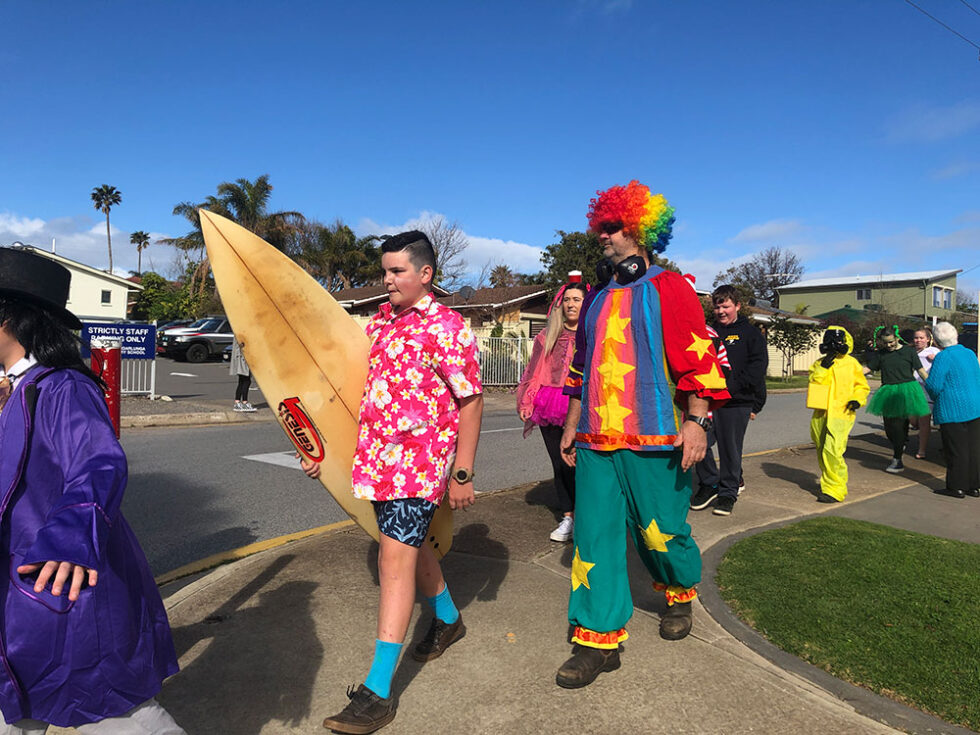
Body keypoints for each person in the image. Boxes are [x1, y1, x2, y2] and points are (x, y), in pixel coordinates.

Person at [302, 231, 484, 734]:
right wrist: (322, 453)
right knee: (407, 548)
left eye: (397, 271)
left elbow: (470, 401)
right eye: (385, 271)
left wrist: (463, 471)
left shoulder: (447, 327)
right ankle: (448, 619)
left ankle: (378, 691)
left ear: (426, 274)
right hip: (378, 463)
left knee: (394, 562)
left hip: (418, 466)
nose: (387, 280)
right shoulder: (381, 323)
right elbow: (356, 397)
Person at [0, 248, 184, 734]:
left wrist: (69, 537)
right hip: (24, 591)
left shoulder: (62, 388)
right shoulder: (19, 389)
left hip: (64, 583)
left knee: (116, 712)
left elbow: (98, 461)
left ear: (7, 318)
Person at [555, 181, 730, 689]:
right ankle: (596, 639)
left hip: (654, 437)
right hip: (595, 440)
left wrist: (697, 422)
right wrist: (570, 424)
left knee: (663, 531)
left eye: (611, 228)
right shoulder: (593, 298)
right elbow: (581, 367)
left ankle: (679, 591)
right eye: (601, 228)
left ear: (637, 229)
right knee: (594, 539)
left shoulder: (669, 288)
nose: (603, 237)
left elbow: (697, 358)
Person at [516, 276, 587, 542]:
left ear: (586, 303)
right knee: (560, 464)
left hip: (583, 404)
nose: (570, 304)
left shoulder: (593, 333)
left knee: (584, 463)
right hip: (550, 402)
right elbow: (533, 369)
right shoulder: (547, 336)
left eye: (576, 300)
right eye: (566, 299)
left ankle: (589, 516)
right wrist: (526, 400)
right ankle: (568, 516)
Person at [689, 284, 767, 516]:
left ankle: (728, 493)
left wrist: (734, 390)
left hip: (736, 401)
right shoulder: (708, 332)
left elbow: (757, 369)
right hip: (708, 402)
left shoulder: (751, 334)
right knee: (699, 442)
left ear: (737, 306)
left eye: (726, 306)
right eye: (717, 306)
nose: (721, 311)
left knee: (730, 449)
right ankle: (710, 483)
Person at [806, 326, 870, 503]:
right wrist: (823, 368)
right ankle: (829, 482)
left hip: (842, 413)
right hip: (820, 413)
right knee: (821, 449)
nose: (833, 345)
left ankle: (835, 489)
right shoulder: (820, 363)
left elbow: (861, 386)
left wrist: (857, 400)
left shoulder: (852, 364)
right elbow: (814, 383)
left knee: (833, 451)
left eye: (837, 341)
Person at [924, 322, 980, 499]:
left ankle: (956, 487)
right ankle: (974, 486)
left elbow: (934, 385)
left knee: (955, 450)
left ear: (937, 340)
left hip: (952, 408)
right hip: (975, 406)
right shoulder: (969, 353)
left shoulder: (943, 357)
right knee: (973, 448)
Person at [863, 326, 929, 473]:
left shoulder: (908, 351)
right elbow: (868, 369)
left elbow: (921, 371)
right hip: (888, 391)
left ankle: (897, 459)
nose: (888, 345)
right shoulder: (881, 354)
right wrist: (850, 373)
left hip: (906, 391)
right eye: (885, 343)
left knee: (899, 425)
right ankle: (900, 443)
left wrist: (932, 386)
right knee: (889, 428)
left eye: (891, 342)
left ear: (897, 338)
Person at [911, 327, 939, 459]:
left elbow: (944, 363)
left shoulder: (933, 351)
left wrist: (936, 358)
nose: (918, 340)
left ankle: (922, 449)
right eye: (916, 338)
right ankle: (916, 427)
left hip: (926, 392)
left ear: (928, 339)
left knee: (924, 421)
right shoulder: (910, 352)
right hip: (912, 390)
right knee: (911, 418)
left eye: (921, 338)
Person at [230, 339, 256, 412]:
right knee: (246, 381)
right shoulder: (240, 333)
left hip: (240, 358)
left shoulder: (237, 332)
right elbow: (243, 344)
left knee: (242, 381)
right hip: (243, 358)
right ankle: (244, 402)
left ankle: (238, 402)